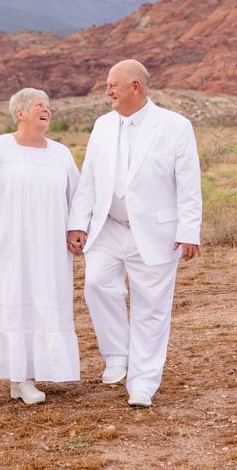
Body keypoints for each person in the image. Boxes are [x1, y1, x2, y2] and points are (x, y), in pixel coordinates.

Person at [66, 60, 202, 408]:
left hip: (157, 233)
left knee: (151, 308)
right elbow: (90, 179)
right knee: (96, 285)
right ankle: (117, 353)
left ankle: (143, 383)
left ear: (135, 87)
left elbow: (188, 183)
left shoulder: (175, 126)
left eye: (113, 85)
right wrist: (78, 223)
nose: (107, 91)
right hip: (108, 227)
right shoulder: (102, 125)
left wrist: (190, 230)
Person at [0, 87, 81, 406]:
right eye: (40, 106)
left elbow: (78, 197)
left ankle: (23, 380)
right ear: (20, 113)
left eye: (49, 106)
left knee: (39, 303)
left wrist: (77, 228)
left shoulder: (61, 153)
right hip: (5, 245)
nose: (48, 110)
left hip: (48, 248)